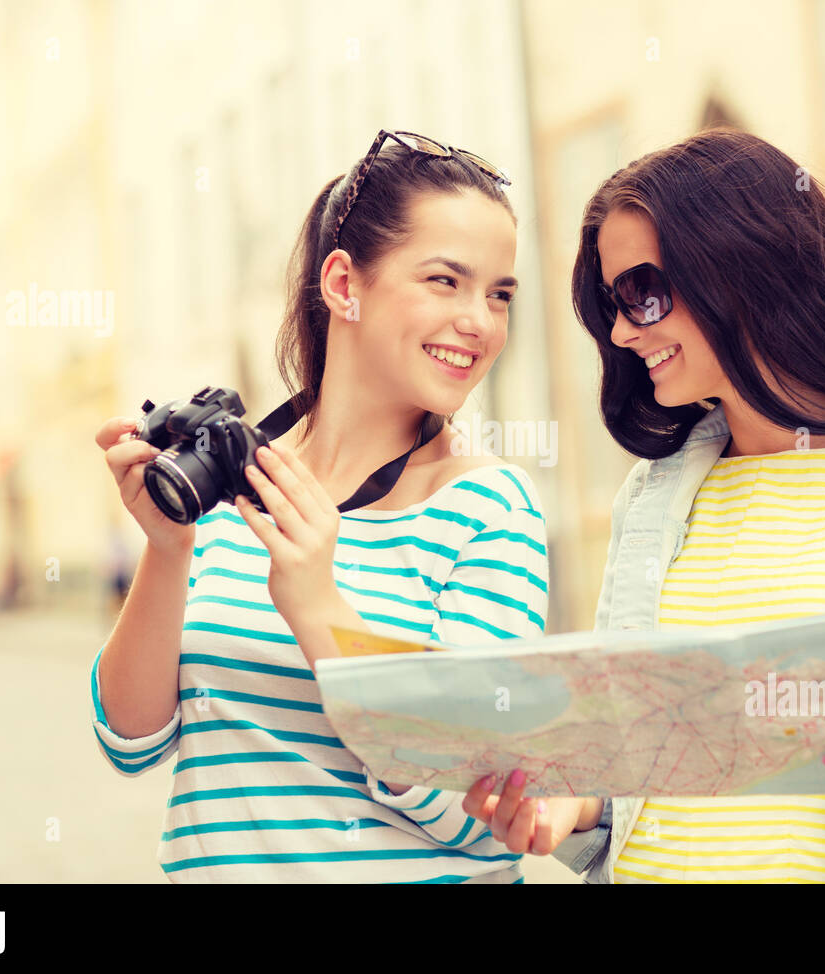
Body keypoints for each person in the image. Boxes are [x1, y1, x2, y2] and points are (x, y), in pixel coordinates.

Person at [464, 126, 825, 884]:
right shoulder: (648, 500)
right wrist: (567, 808)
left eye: (640, 293)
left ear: (741, 269)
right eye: (612, 302)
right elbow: (629, 774)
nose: (619, 328)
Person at [91, 130, 548, 883]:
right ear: (344, 285)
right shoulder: (232, 485)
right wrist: (168, 548)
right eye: (445, 281)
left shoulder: (489, 508)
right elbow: (129, 740)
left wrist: (319, 607)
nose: (481, 322)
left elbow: (484, 812)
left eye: (499, 293)